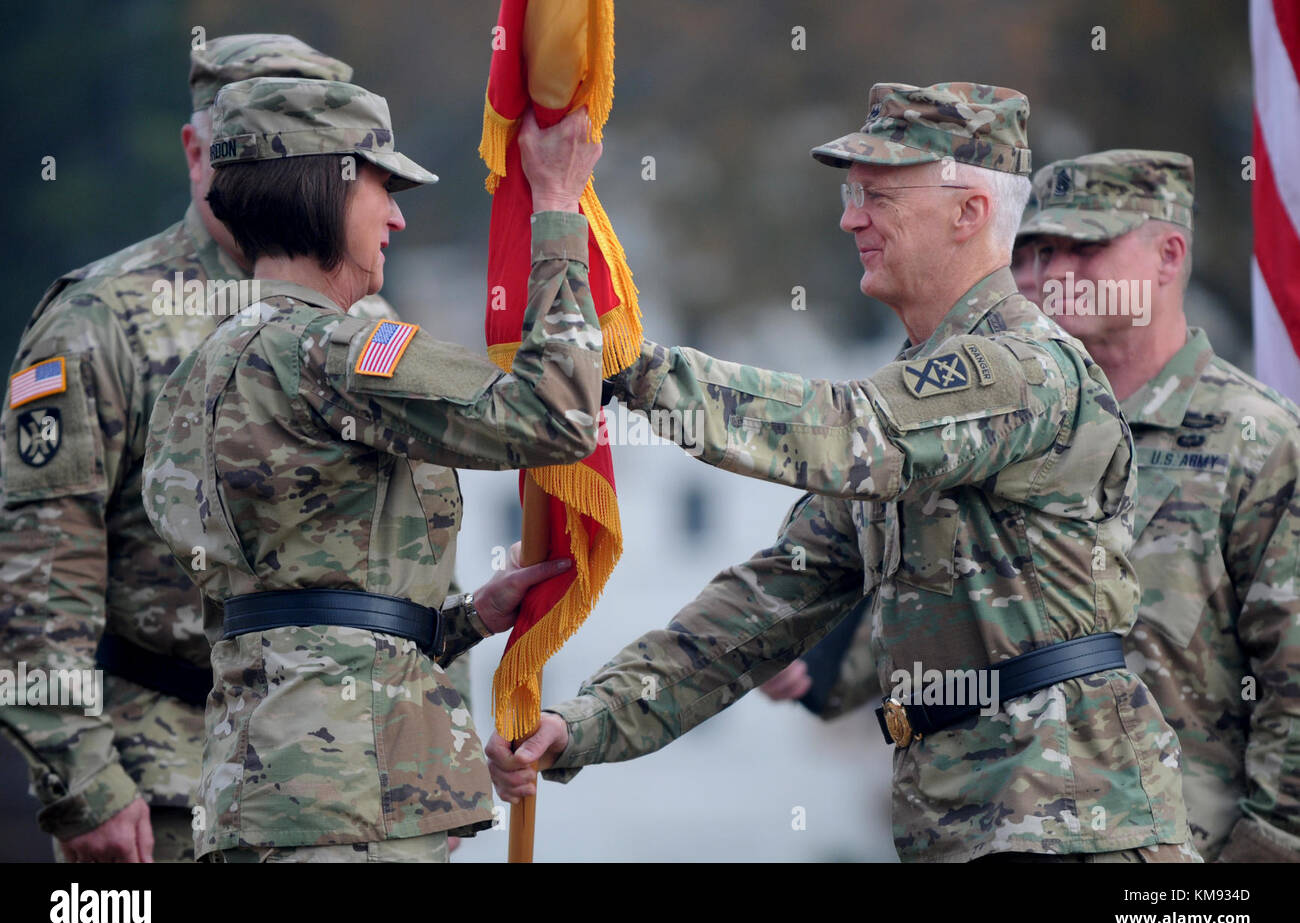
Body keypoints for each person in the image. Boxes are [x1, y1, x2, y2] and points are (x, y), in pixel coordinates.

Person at [487, 82, 1199, 862]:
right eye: (852, 193)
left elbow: (844, 430)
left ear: (970, 213)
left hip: (1074, 823)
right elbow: (761, 610)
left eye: (880, 194)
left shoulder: (1021, 369)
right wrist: (582, 723)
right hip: (975, 822)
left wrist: (633, 367)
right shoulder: (918, 398)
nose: (850, 216)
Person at [141, 76, 605, 862]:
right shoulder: (337, 350)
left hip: (264, 785)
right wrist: (559, 204)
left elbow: (286, 602)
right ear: (325, 188)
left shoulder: (202, 370)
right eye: (380, 187)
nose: (395, 215)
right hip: (350, 797)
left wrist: (463, 619)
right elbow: (558, 413)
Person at [0, 33, 419, 864]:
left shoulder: (370, 330)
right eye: (253, 146)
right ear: (198, 153)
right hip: (161, 791)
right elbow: (37, 575)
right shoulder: (99, 322)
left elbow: (411, 568)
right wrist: (82, 784)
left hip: (343, 794)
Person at [1017, 150, 1300, 861]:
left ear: (1168, 255)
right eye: (1042, 251)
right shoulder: (1021, 432)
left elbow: (1294, 692)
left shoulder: (1258, 440)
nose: (1055, 276)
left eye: (1085, 248)